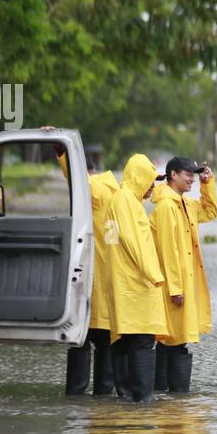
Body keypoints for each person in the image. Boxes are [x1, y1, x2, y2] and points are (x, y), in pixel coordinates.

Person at [150, 157, 217, 393]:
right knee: (174, 339)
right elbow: (168, 250)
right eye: (187, 174)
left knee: (174, 339)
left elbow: (210, 211)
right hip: (174, 286)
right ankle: (173, 396)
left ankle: (166, 396)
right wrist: (175, 288)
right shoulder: (167, 207)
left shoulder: (185, 204)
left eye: (193, 174)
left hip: (184, 284)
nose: (192, 178)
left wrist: (207, 184)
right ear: (172, 175)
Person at [106, 153, 169, 402]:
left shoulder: (124, 200)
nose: (152, 187)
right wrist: (155, 275)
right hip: (136, 282)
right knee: (142, 338)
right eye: (150, 181)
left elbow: (112, 240)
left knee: (126, 337)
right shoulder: (125, 202)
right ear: (138, 177)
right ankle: (143, 399)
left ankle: (128, 401)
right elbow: (133, 243)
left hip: (126, 279)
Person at [67, 159, 126, 397]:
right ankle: (103, 396)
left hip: (88, 278)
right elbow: (113, 238)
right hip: (108, 278)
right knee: (105, 341)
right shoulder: (116, 193)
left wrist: (62, 153)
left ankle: (75, 394)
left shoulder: (91, 187)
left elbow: (74, 179)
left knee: (78, 340)